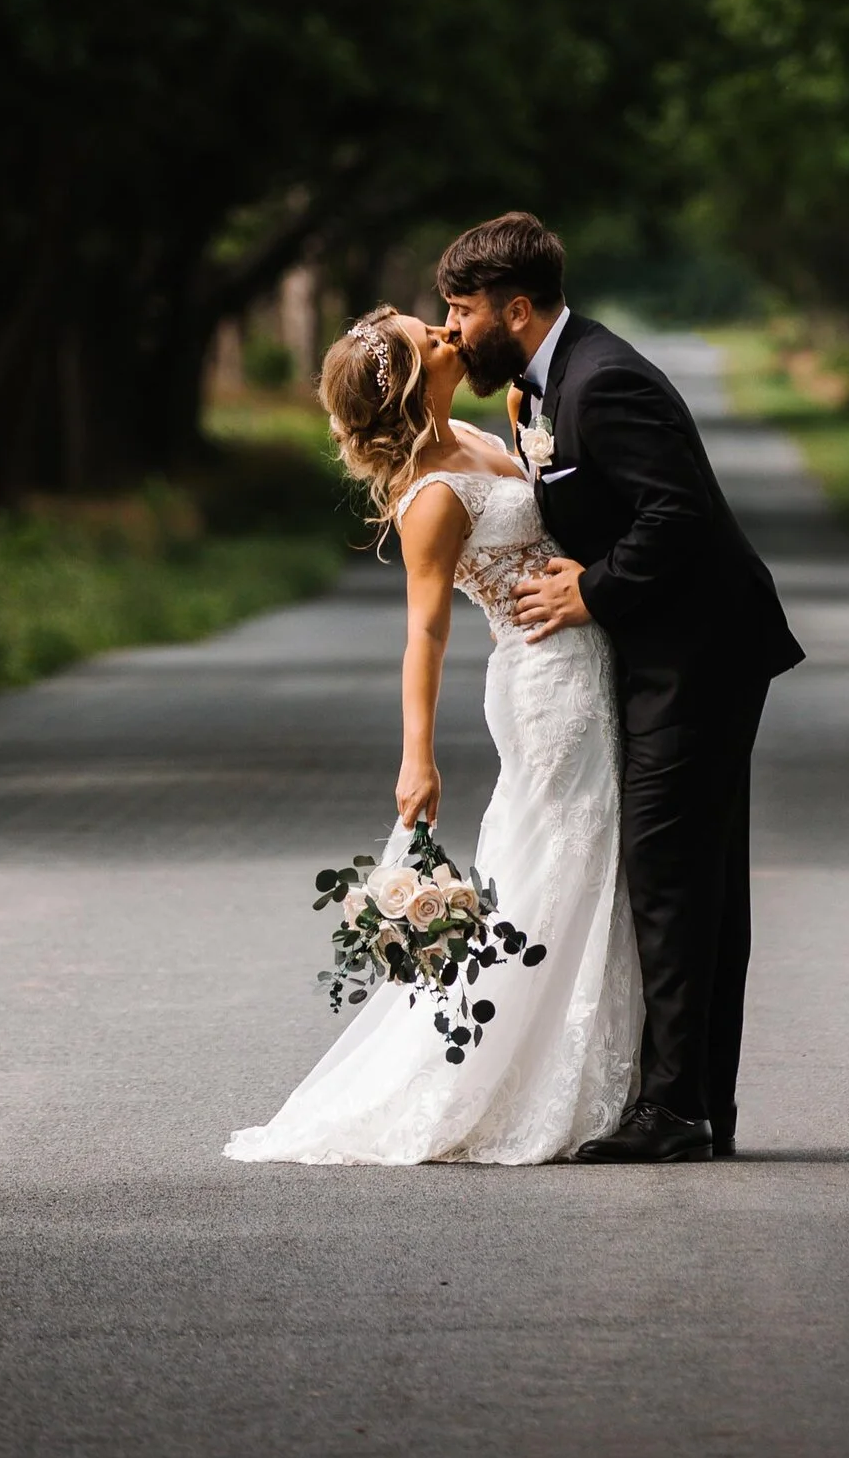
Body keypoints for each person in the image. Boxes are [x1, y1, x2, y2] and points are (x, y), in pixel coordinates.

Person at [223, 306, 640, 1166]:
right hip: (544, 682)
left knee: (582, 858)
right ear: (411, 383)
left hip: (585, 657)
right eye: (432, 337)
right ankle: (519, 1076)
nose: (451, 336)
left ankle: (601, 1069)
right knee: (562, 860)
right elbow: (425, 634)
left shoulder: (491, 435)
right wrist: (418, 756)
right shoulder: (434, 495)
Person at [441, 209, 802, 1163]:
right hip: (671, 649)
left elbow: (677, 513)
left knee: (671, 874)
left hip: (700, 650)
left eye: (462, 309)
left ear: (516, 309)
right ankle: (697, 1107)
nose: (452, 328)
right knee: (691, 877)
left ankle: (676, 1110)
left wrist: (591, 590)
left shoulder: (602, 382)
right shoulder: (551, 381)